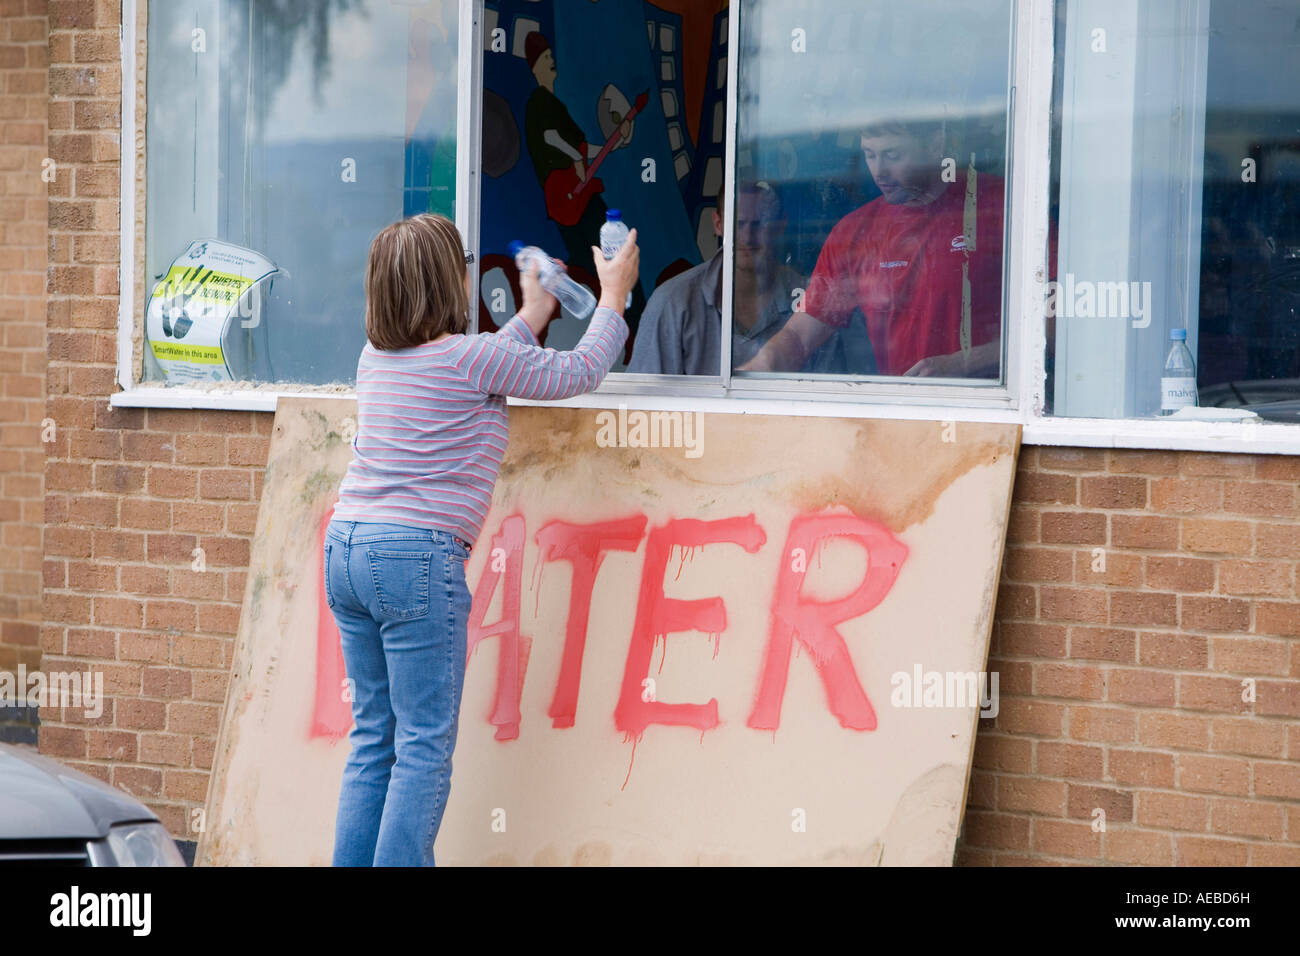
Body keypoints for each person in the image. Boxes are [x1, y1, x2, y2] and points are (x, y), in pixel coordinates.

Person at [325, 213, 639, 866]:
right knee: (422, 744)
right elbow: (576, 371)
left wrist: (530, 314)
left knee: (374, 737)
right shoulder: (472, 358)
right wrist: (611, 297)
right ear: (449, 283)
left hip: (349, 548)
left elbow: (487, 366)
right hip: (413, 559)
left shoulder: (376, 358)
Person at [739, 117, 1005, 378]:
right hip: (897, 410)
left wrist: (964, 363)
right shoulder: (854, 232)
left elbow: (1046, 323)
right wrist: (749, 376)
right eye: (869, 154)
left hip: (990, 409)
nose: (879, 171)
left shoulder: (996, 203)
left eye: (892, 155)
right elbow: (798, 337)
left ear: (935, 145)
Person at [628, 179, 846, 374]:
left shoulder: (812, 299)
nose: (747, 237)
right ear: (718, 224)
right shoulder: (672, 301)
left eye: (760, 224)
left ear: (781, 225)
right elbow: (644, 403)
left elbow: (833, 404)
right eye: (737, 224)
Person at [523, 31, 646, 342]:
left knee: (586, 257)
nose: (553, 63)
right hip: (567, 198)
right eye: (546, 59)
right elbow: (551, 139)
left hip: (573, 196)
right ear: (535, 65)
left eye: (552, 58)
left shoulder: (553, 103)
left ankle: (625, 325)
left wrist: (612, 146)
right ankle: (630, 320)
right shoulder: (540, 103)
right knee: (597, 256)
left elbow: (576, 145)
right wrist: (574, 155)